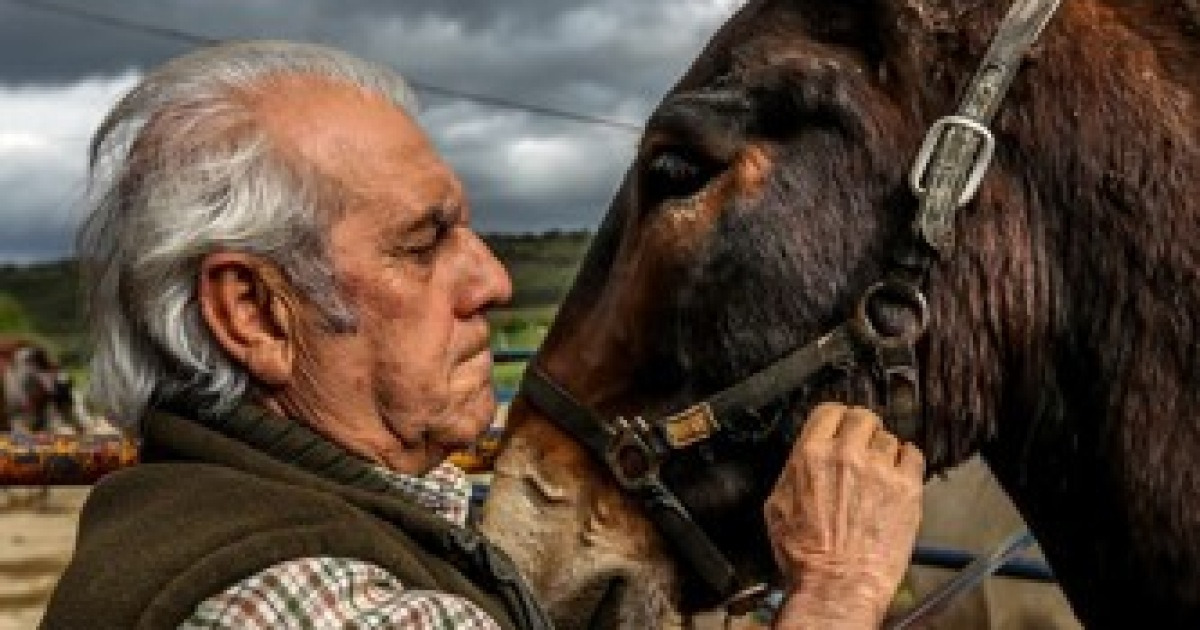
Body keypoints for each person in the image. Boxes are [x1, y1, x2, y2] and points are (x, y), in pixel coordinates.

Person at [41, 41, 923, 629]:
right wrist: (834, 595)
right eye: (423, 244)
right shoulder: (314, 601)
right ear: (255, 313)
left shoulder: (191, 513)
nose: (494, 282)